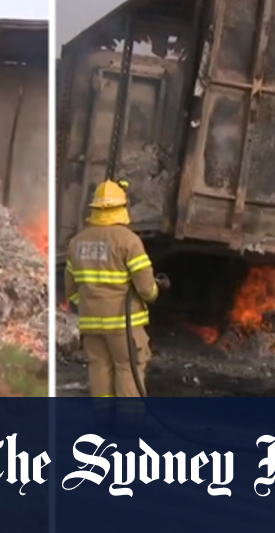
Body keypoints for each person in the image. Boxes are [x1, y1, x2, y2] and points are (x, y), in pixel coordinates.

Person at [64, 179, 169, 435]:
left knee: (99, 370)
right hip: (124, 326)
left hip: (91, 325)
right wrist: (156, 291)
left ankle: (104, 425)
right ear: (121, 208)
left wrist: (91, 307)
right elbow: (146, 289)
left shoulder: (76, 243)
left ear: (95, 209)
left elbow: (71, 291)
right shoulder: (129, 241)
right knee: (127, 370)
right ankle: (129, 428)